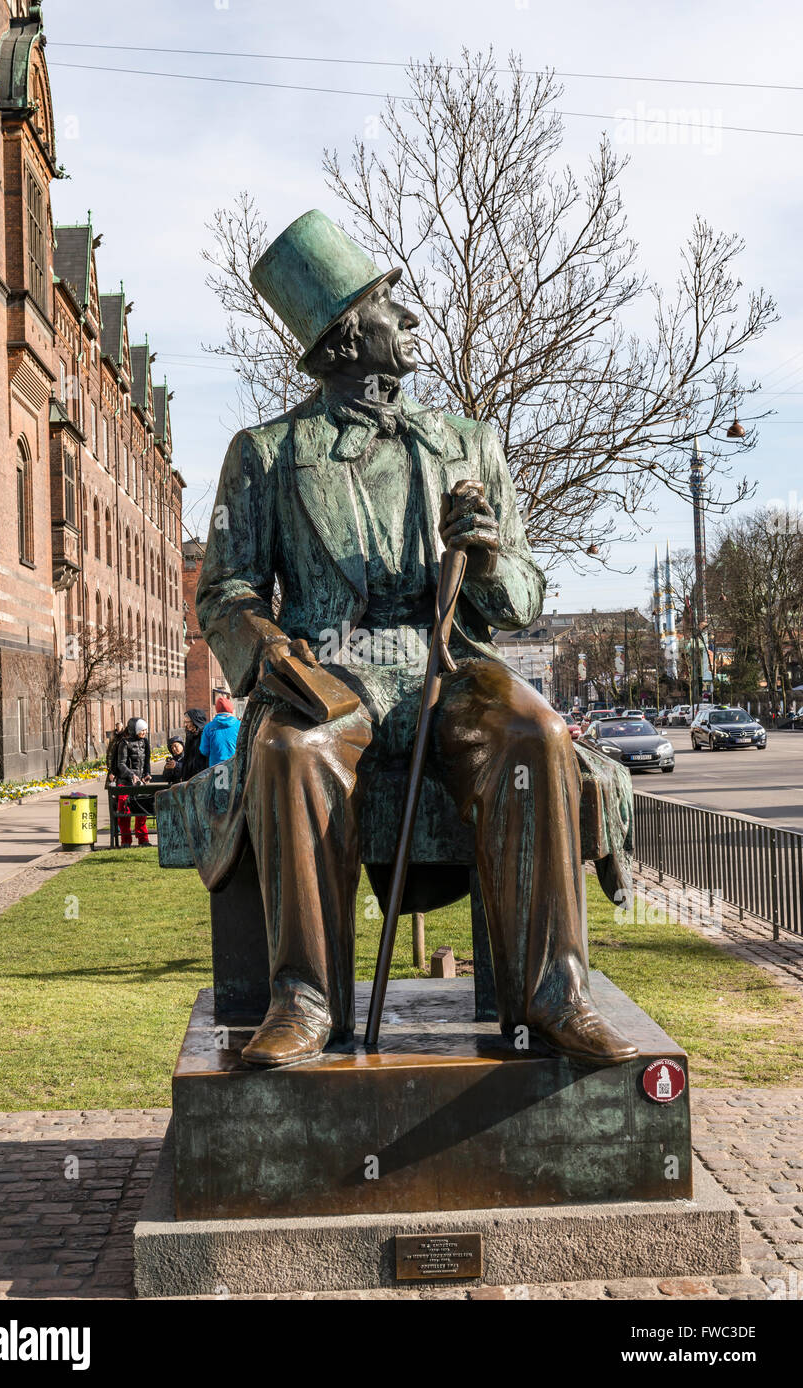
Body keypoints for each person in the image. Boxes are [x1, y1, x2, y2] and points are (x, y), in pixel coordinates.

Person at [170, 210, 636, 1068]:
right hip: (328, 668)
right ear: (346, 335)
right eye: (390, 302)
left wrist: (488, 555)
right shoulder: (268, 454)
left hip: (447, 664)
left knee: (537, 734)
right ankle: (305, 1000)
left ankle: (554, 992)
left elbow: (521, 598)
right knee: (292, 752)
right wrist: (272, 651)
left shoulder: (467, 442)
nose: (411, 318)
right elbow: (226, 591)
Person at [114, 717, 152, 847]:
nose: (144, 732)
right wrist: (131, 775)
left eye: (146, 730)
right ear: (135, 730)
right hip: (125, 783)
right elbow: (121, 764)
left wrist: (147, 774)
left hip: (139, 783)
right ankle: (125, 840)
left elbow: (146, 762)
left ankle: (143, 839)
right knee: (124, 811)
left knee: (142, 811)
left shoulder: (145, 742)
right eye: (142, 730)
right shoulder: (124, 743)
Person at [199, 696, 241, 767]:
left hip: (216, 767)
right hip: (235, 765)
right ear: (231, 710)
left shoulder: (208, 727)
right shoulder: (239, 725)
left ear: (217, 710)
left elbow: (204, 751)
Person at [181, 709, 209, 780]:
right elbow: (187, 757)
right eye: (185, 722)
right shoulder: (190, 735)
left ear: (195, 722)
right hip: (190, 776)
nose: (185, 725)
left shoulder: (204, 735)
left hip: (202, 775)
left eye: (187, 722)